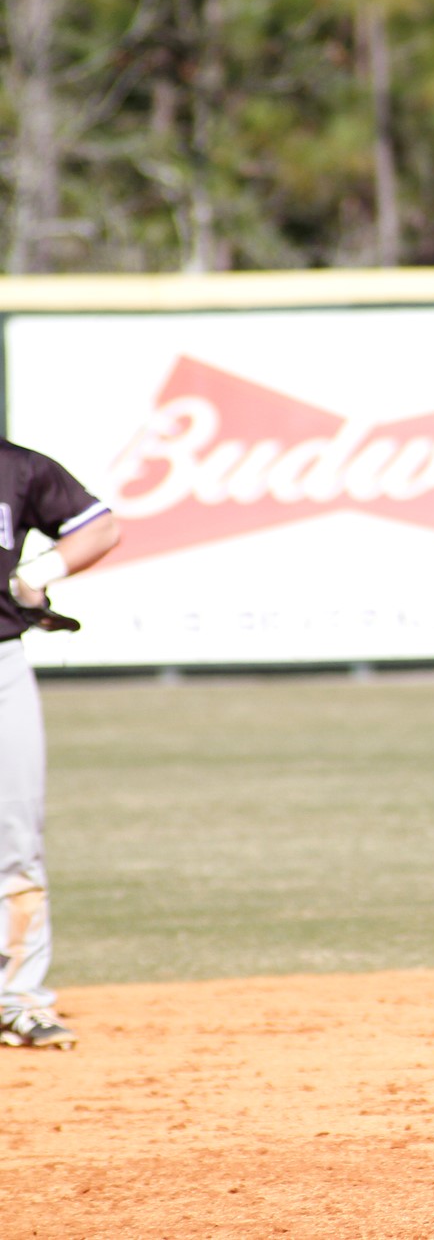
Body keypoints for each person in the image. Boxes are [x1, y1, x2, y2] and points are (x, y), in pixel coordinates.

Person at [1, 439, 121, 1050]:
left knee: (16, 835)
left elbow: (98, 527)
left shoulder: (15, 467)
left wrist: (36, 574)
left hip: (0, 664)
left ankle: (17, 1000)